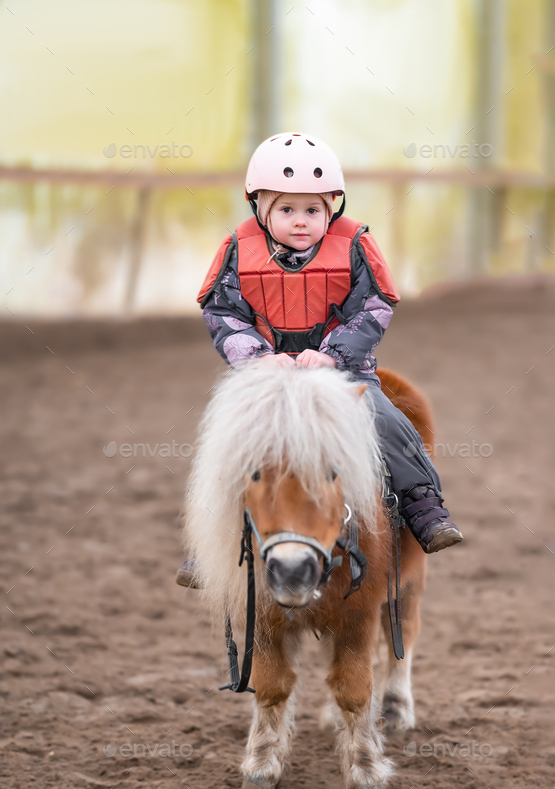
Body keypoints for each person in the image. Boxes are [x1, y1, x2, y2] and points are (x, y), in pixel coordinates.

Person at [177, 132, 461, 588]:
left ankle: (424, 506)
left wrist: (331, 355)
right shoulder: (237, 250)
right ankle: (206, 545)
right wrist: (256, 357)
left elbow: (376, 305)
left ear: (333, 206)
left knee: (387, 421)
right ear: (261, 208)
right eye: (287, 210)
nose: (301, 221)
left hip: (342, 371)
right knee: (227, 438)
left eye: (313, 210)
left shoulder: (355, 247)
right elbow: (221, 310)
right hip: (266, 376)